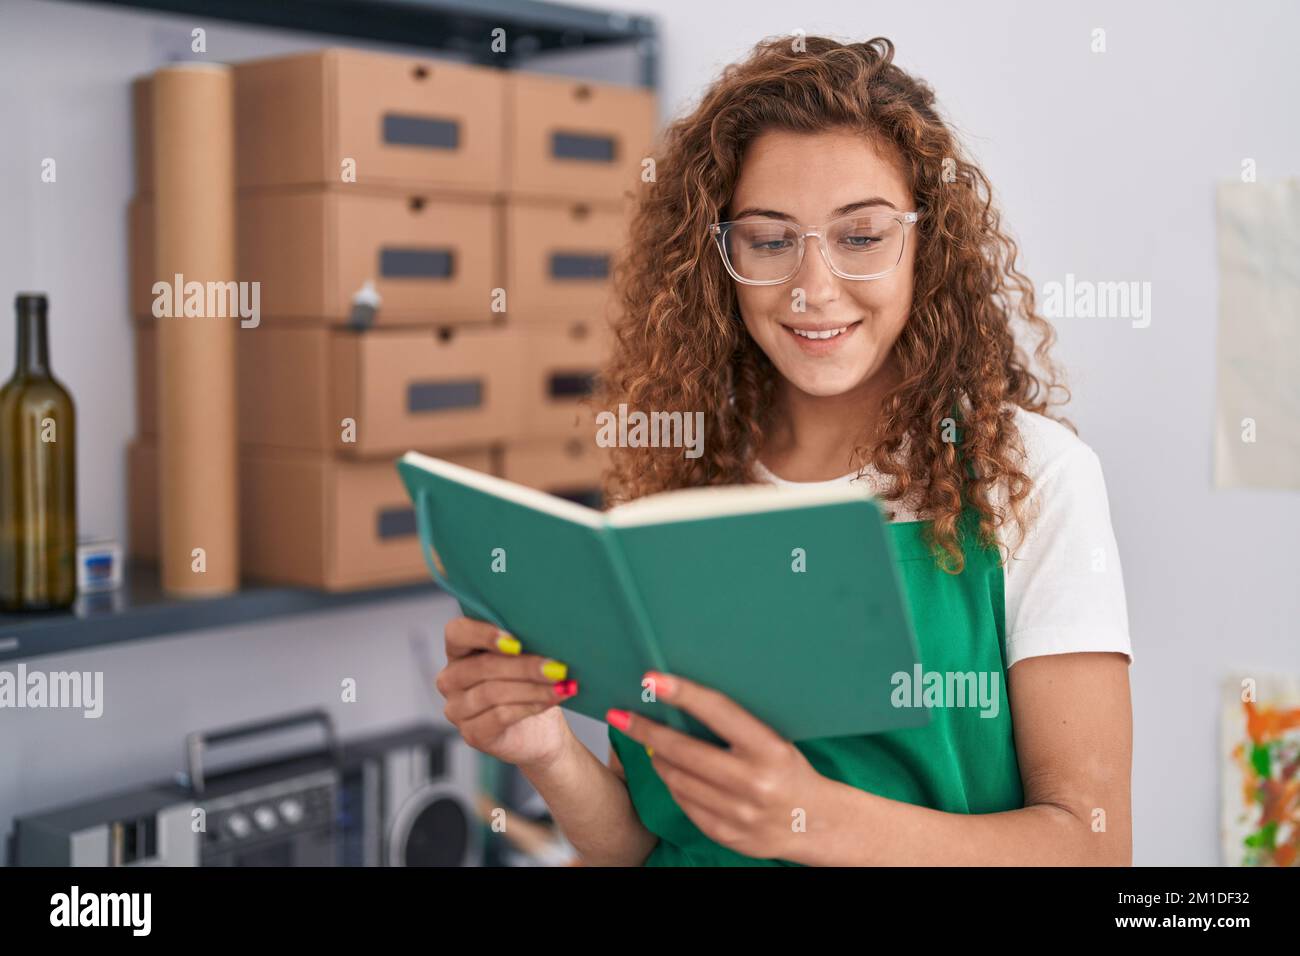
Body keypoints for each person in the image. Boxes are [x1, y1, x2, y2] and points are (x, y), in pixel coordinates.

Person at [436, 35, 1133, 866]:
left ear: (927, 246)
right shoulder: (678, 482)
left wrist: (818, 818)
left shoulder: (1032, 478)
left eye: (861, 236)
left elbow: (1093, 847)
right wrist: (546, 749)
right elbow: (652, 845)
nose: (812, 288)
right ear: (718, 258)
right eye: (770, 241)